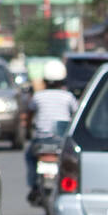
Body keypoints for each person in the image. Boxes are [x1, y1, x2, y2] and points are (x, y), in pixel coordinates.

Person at [25, 59, 78, 205]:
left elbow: (29, 115)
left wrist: (27, 129)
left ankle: (33, 185)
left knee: (29, 157)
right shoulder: (68, 97)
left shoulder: (38, 97)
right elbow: (76, 116)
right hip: (61, 142)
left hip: (41, 142)